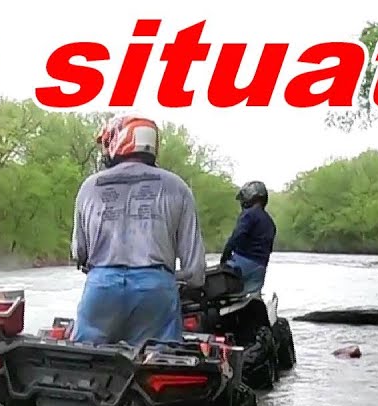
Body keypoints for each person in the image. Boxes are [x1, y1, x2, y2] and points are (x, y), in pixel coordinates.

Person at [69, 115, 206, 346]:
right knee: (162, 362)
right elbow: (195, 270)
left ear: (117, 141)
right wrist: (170, 279)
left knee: (86, 362)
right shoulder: (177, 187)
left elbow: (79, 253)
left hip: (101, 287)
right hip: (155, 288)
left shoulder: (90, 187)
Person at [219, 180, 276, 295]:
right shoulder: (270, 222)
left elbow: (237, 236)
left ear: (250, 196)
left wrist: (224, 257)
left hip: (241, 263)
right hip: (261, 266)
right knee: (252, 299)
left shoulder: (249, 214)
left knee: (217, 290)